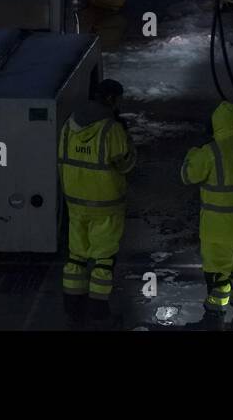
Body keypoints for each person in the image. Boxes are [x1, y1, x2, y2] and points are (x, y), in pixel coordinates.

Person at [58, 78, 136, 329]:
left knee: (77, 256)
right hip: (106, 204)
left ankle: (73, 309)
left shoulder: (69, 125)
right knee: (104, 259)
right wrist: (128, 140)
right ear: (112, 99)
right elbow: (126, 164)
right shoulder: (111, 129)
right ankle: (100, 314)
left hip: (75, 202)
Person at [181, 101, 233, 331]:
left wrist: (191, 154)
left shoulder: (209, 152)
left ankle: (214, 319)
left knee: (218, 274)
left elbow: (188, 176)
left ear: (216, 125)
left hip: (218, 229)